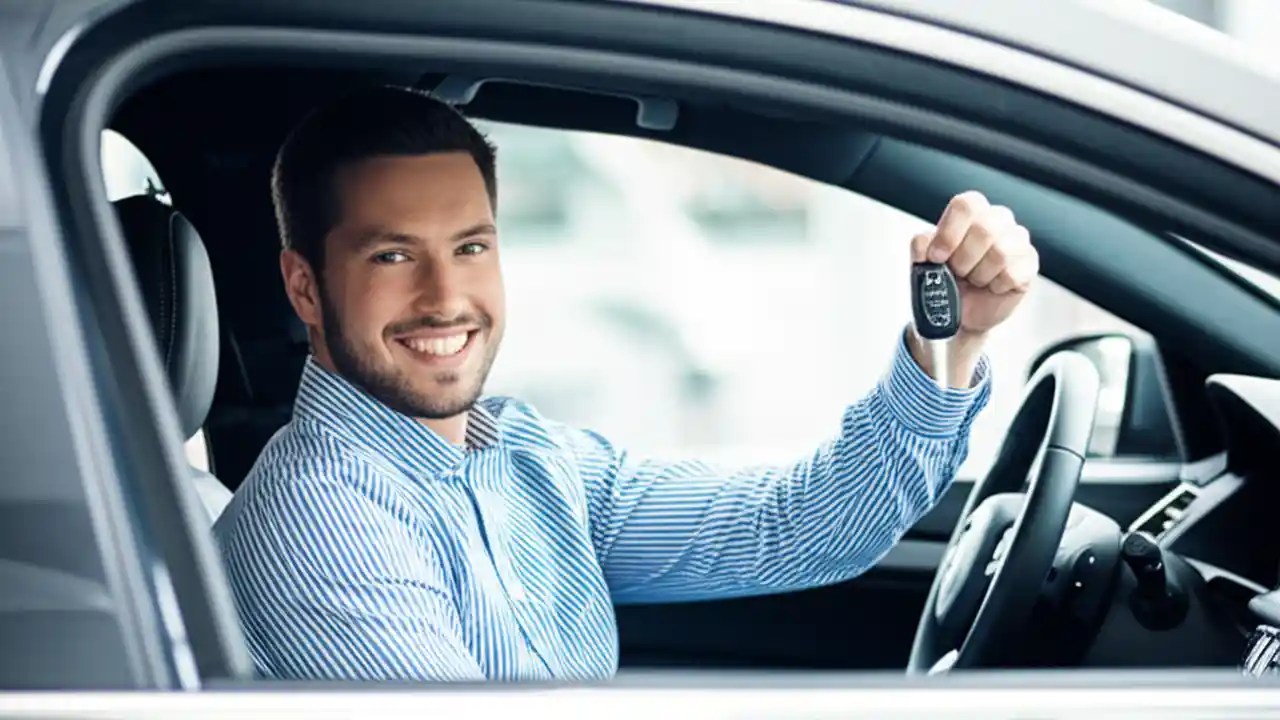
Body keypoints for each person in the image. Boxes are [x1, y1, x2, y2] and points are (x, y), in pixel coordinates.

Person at [212, 84, 1039, 682]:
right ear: (305, 288)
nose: (446, 298)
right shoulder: (319, 520)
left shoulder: (526, 455)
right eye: (393, 256)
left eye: (471, 248)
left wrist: (956, 338)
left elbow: (797, 525)